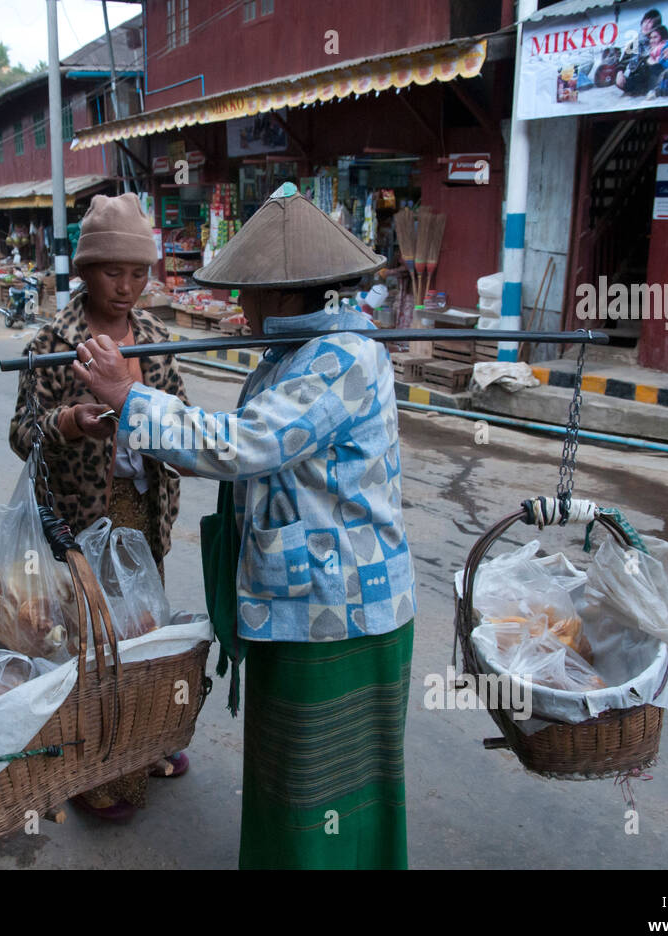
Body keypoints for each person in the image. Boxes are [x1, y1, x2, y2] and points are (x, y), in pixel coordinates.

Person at [72, 184, 416, 869]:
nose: (241, 306)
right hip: (300, 601)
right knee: (289, 780)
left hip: (339, 609)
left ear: (286, 294)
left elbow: (243, 445)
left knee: (325, 791)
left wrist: (127, 397)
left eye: (249, 292)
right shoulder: (292, 356)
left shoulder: (341, 357)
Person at [8, 192, 191, 822]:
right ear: (84, 272)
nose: (127, 286)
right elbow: (20, 434)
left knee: (147, 640)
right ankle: (99, 775)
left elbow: (184, 427)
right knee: (94, 648)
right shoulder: (54, 343)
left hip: (145, 511)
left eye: (139, 272)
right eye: (114, 272)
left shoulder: (159, 340)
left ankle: (150, 746)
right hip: (82, 522)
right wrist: (68, 423)